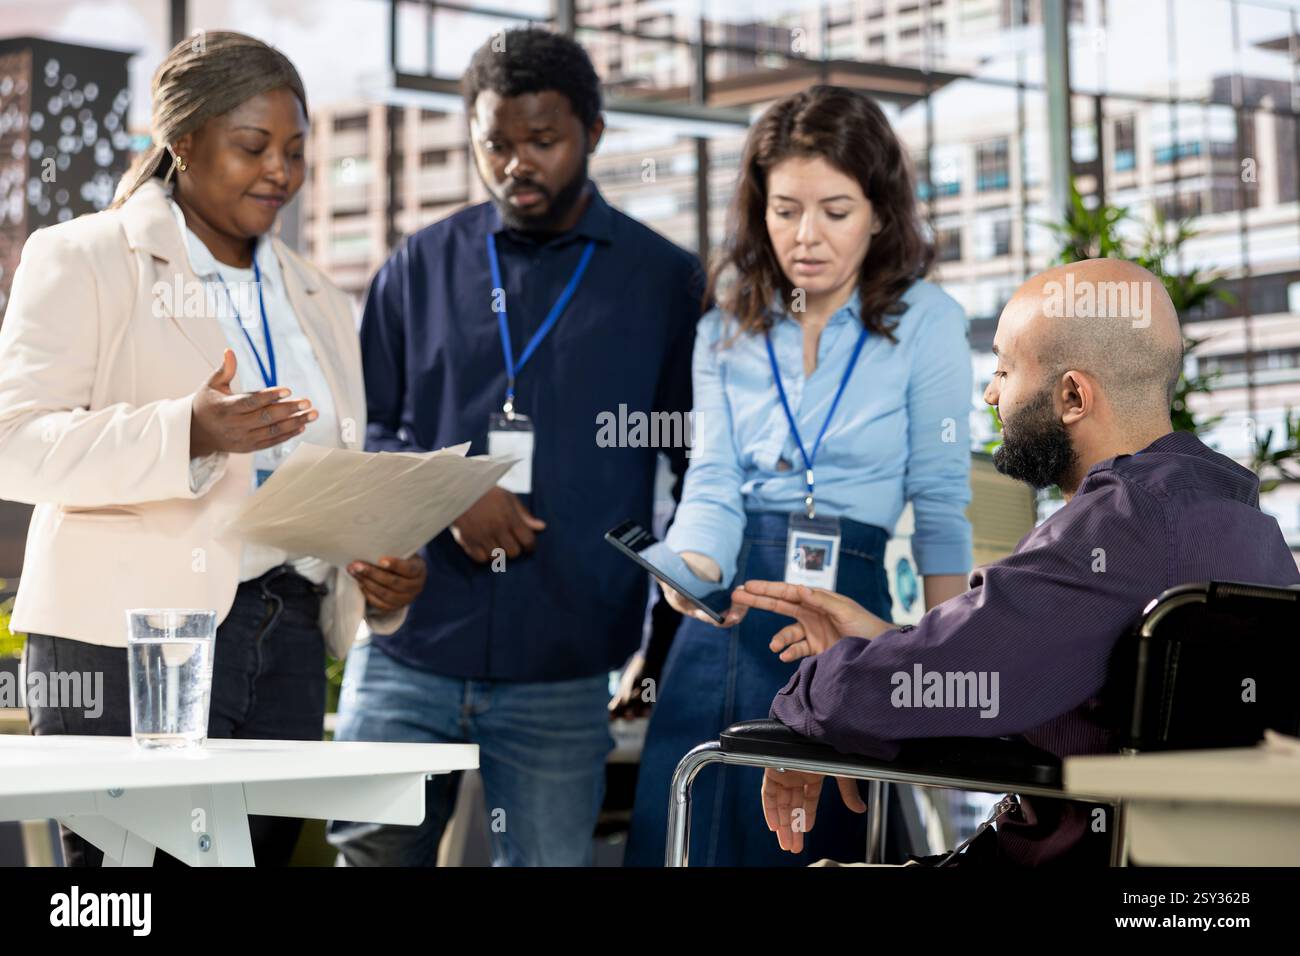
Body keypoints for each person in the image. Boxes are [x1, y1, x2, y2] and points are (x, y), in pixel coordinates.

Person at [0, 32, 426, 867]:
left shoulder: (320, 297)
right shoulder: (85, 257)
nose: (281, 171)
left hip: (289, 633)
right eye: (254, 147)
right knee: (127, 899)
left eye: (297, 151)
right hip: (128, 641)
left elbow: (325, 473)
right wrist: (184, 432)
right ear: (183, 141)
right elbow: (14, 444)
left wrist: (379, 573)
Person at [735, 258, 1300, 866]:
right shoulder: (1248, 528)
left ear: (1072, 395)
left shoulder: (1118, 525)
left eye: (1004, 369)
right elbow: (1052, 685)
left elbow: (936, 684)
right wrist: (888, 640)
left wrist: (806, 705)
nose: (991, 393)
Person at [326, 28, 703, 867]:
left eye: (543, 141)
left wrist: (666, 640)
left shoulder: (663, 281)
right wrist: (451, 487)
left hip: (565, 667)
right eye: (495, 142)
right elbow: (368, 432)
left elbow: (698, 467)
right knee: (370, 858)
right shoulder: (416, 267)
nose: (516, 164)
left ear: (593, 134)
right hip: (408, 646)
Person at [624, 85, 974, 867]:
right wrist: (688, 573)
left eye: (835, 211)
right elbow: (712, 484)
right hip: (730, 613)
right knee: (690, 832)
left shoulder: (928, 321)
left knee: (814, 846)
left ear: (880, 212)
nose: (805, 237)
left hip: (847, 615)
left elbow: (943, 507)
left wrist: (943, 663)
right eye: (784, 210)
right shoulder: (726, 324)